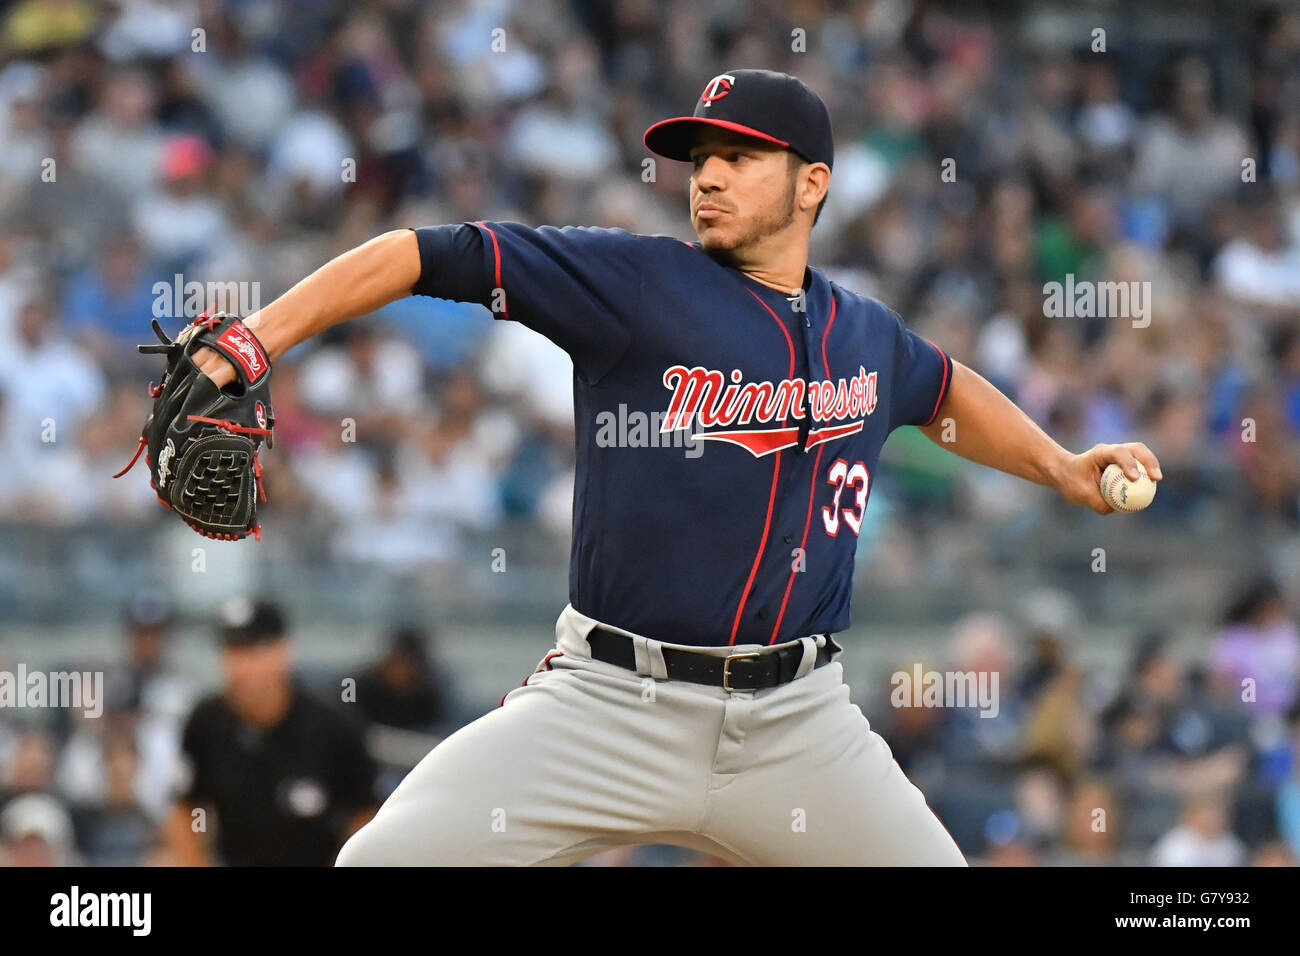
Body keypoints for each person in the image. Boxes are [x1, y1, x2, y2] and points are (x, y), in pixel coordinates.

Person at [191, 69, 1162, 865]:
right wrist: (256, 338)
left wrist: (1063, 465)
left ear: (811, 183)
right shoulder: (635, 285)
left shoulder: (864, 334)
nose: (706, 176)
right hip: (610, 703)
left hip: (798, 723)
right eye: (700, 159)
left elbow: (943, 391)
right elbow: (422, 252)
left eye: (739, 157)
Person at [162, 599, 377, 866]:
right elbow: (183, 808)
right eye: (231, 650)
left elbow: (366, 814)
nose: (240, 666)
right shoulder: (207, 722)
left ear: (283, 651)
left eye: (253, 650)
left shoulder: (332, 727)